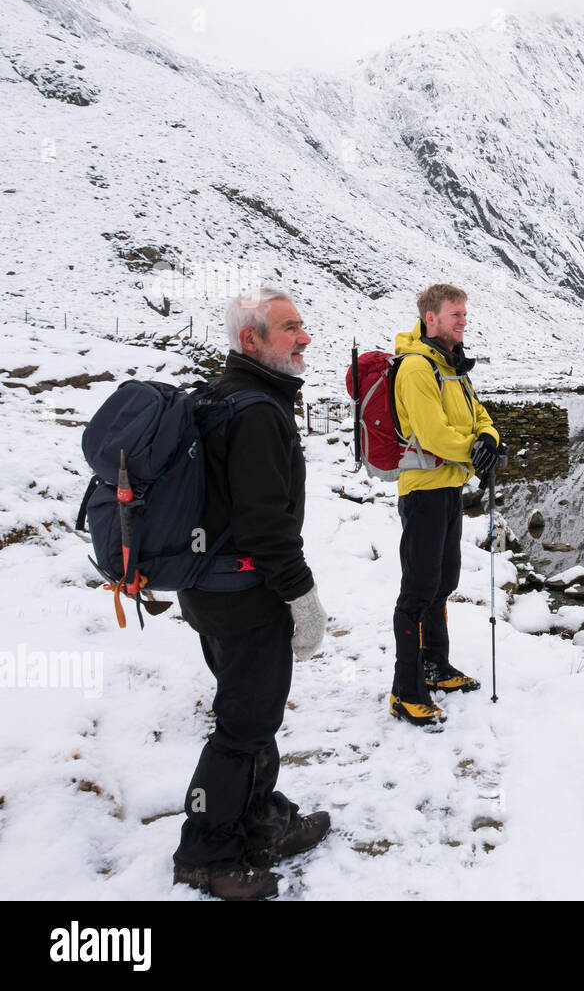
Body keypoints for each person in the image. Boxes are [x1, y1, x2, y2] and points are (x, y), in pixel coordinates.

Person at [171, 288, 331, 900]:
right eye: (291, 328)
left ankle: (261, 819)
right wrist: (302, 598)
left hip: (209, 589)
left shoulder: (222, 395)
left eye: (302, 326)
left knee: (253, 712)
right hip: (245, 596)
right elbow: (267, 526)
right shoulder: (259, 411)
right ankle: (205, 854)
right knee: (242, 726)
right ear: (252, 341)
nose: (304, 338)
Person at [389, 283, 501, 728]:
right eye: (455, 314)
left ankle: (436, 666)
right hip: (422, 491)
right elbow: (433, 435)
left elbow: (480, 416)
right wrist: (476, 452)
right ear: (430, 318)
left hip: (449, 487)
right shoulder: (417, 368)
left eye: (464, 313)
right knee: (418, 590)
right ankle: (406, 689)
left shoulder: (451, 367)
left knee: (442, 581)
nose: (463, 320)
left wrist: (488, 439)